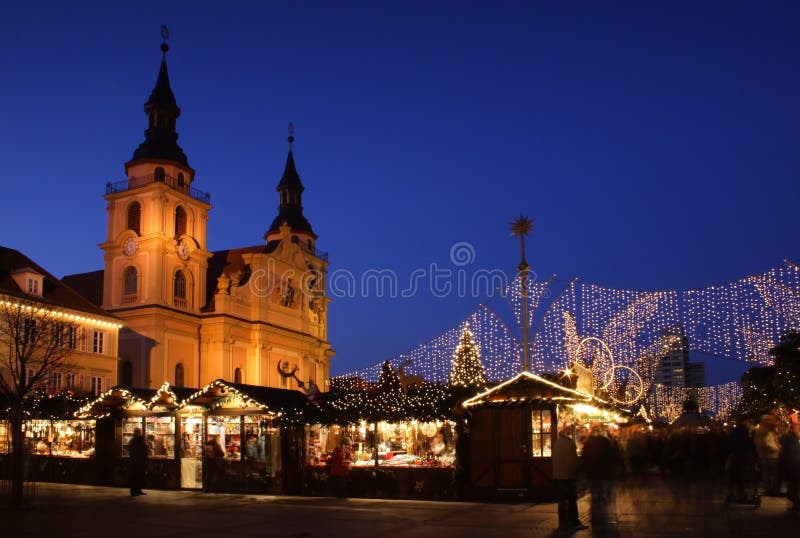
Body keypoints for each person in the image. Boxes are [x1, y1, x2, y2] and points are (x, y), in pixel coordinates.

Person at [581, 424, 623, 532]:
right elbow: (612, 457)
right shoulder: (605, 442)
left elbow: (584, 459)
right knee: (602, 495)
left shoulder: (588, 443)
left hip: (592, 474)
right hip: (604, 473)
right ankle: (602, 515)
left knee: (595, 495)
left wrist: (585, 471)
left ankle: (595, 517)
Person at [552, 424, 588, 531]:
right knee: (572, 498)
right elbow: (571, 460)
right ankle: (574, 521)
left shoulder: (557, 441)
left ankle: (563, 522)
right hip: (568, 475)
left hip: (558, 474)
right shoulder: (569, 443)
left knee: (562, 499)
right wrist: (575, 471)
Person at [754, 414, 781, 496]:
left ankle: (768, 489)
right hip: (770, 455)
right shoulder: (766, 431)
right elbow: (767, 443)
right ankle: (771, 490)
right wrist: (777, 448)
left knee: (766, 474)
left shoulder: (761, 430)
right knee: (771, 474)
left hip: (763, 455)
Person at [778, 418, 800, 511]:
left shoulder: (788, 437)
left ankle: (794, 503)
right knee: (793, 485)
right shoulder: (791, 438)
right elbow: (790, 453)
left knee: (792, 485)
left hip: (791, 465)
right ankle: (795, 503)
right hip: (793, 465)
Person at [127, 427, 148, 496]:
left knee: (139, 476)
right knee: (135, 477)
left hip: (139, 461)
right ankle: (133, 491)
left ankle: (138, 490)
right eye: (138, 432)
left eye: (139, 432)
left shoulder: (139, 440)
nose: (139, 433)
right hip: (135, 461)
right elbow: (131, 449)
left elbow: (144, 448)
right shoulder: (134, 440)